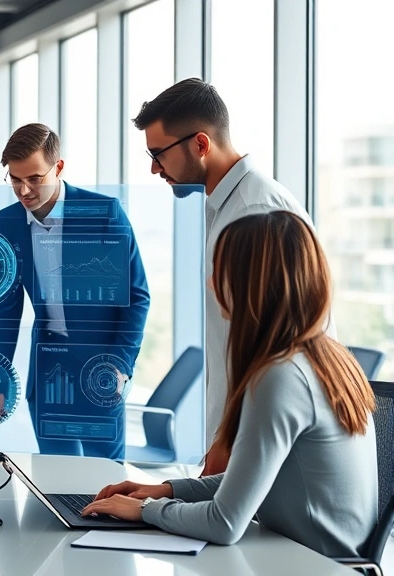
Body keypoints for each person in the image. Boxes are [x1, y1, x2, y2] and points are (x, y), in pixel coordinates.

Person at [83, 211, 377, 557]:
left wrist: (145, 511)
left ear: (251, 281)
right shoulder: (324, 357)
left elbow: (225, 522)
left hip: (311, 564)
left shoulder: (281, 377)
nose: (210, 283)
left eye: (220, 271)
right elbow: (251, 482)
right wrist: (164, 491)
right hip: (319, 559)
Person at [132, 78, 335, 475]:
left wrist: (226, 445)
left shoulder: (255, 212)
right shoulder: (224, 208)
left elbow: (270, 349)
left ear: (201, 144)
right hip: (241, 443)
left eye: (158, 154)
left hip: (264, 451)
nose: (154, 168)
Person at [0, 123, 150, 459]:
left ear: (58, 167)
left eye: (34, 178)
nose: (24, 189)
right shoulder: (8, 222)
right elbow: (5, 309)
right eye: (15, 179)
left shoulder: (104, 214)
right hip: (48, 375)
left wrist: (119, 365)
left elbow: (136, 297)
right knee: (56, 480)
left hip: (100, 370)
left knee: (106, 482)